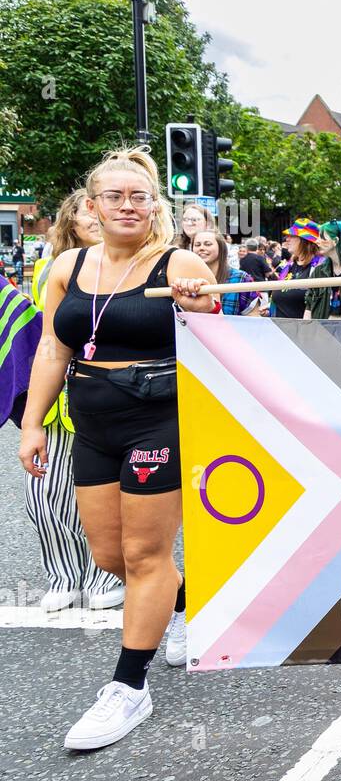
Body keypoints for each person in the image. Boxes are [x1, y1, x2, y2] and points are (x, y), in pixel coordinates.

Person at [18, 146, 217, 750]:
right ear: (93, 204)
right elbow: (54, 349)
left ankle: (129, 688)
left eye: (139, 196)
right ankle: (190, 602)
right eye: (114, 196)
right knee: (109, 559)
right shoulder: (67, 268)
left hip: (159, 419)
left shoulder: (177, 260)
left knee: (145, 553)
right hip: (91, 423)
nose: (127, 205)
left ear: (154, 204)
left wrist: (196, 300)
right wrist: (31, 425)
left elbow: (213, 319)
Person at [26, 190, 124, 611]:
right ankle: (64, 573)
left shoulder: (132, 269)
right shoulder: (49, 270)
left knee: (106, 494)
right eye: (89, 214)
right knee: (44, 496)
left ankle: (106, 575)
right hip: (57, 403)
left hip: (110, 400)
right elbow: (45, 339)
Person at [193, 230, 261, 316]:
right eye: (197, 245)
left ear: (221, 248)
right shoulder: (186, 279)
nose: (201, 248)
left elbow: (253, 320)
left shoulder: (241, 278)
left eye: (208, 244)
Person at [269, 219, 322, 319]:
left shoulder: (320, 267)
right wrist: (270, 307)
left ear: (305, 241)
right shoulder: (288, 266)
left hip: (303, 331)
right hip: (279, 329)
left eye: (292, 236)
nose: (286, 239)